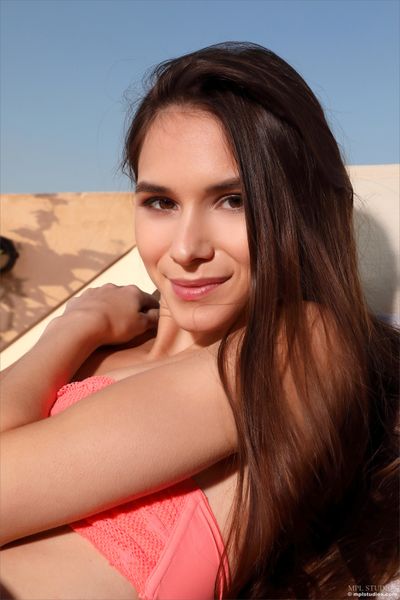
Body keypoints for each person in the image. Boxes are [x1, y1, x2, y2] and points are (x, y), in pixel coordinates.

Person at [0, 41, 398, 600]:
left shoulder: (302, 346)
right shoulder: (96, 348)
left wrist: (69, 331)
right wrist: (72, 332)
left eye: (233, 200)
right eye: (160, 202)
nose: (186, 249)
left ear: (301, 208)